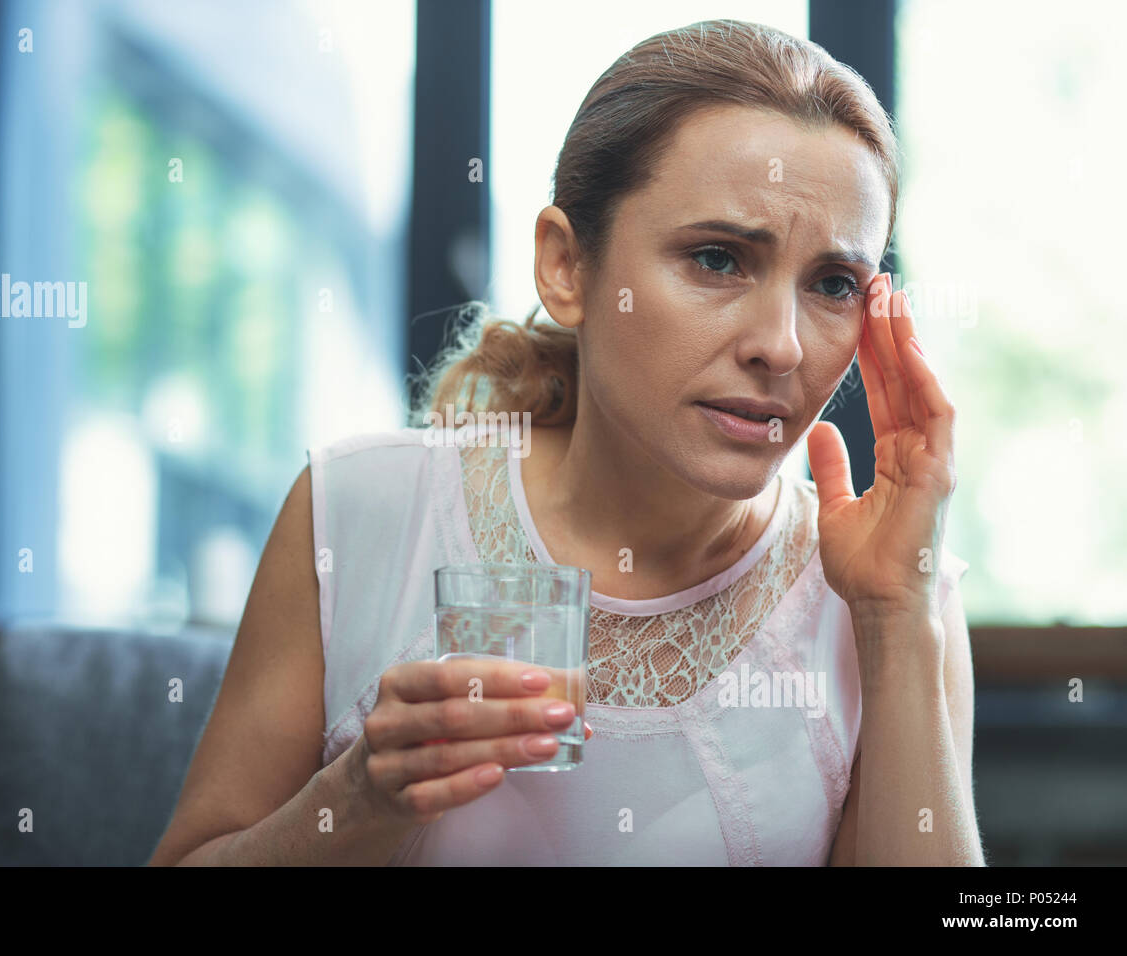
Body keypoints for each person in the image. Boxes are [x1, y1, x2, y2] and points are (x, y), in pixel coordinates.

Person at [148, 18, 984, 866]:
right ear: (565, 267)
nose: (783, 345)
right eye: (719, 260)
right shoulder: (356, 512)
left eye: (834, 284)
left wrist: (894, 619)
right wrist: (358, 799)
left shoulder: (890, 593)